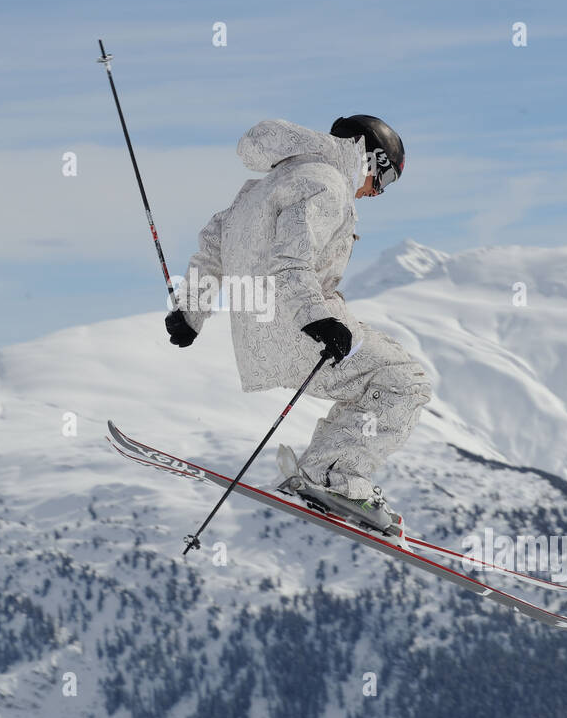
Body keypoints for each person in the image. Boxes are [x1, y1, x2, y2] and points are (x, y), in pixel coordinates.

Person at [164, 116, 431, 535]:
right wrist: (318, 318)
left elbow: (213, 248)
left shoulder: (257, 189)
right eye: (384, 182)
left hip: (258, 335)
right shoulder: (325, 183)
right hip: (298, 324)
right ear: (374, 160)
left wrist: (189, 312)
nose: (375, 194)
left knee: (374, 383)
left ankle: (329, 474)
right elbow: (292, 260)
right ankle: (336, 477)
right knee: (406, 381)